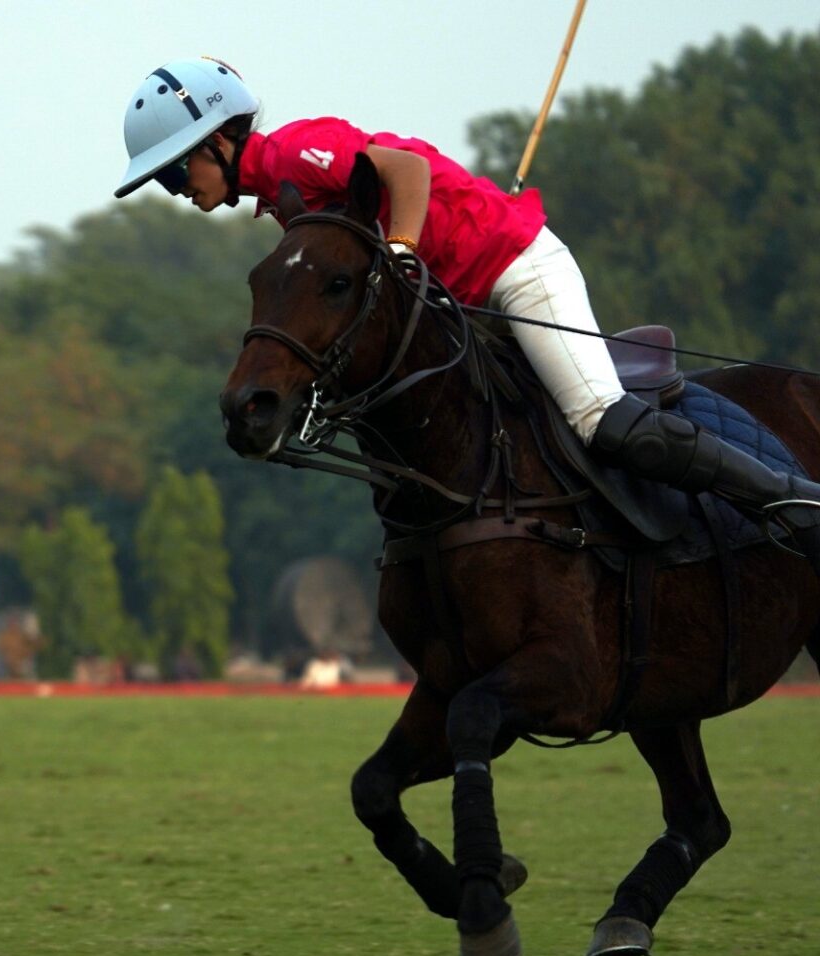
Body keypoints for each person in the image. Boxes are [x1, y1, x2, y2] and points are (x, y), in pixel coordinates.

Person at [114, 57, 820, 574]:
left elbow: (406, 172)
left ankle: (796, 502)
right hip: (472, 304)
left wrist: (404, 250)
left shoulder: (297, 151)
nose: (178, 190)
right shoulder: (283, 203)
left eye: (177, 171)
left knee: (598, 418)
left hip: (515, 266)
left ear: (218, 142)